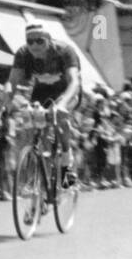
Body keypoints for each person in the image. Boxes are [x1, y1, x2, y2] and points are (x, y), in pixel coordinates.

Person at [5, 20, 80, 185]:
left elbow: (74, 81)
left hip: (66, 91)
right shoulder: (23, 54)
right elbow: (12, 81)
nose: (34, 45)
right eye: (30, 41)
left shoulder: (65, 51)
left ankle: (67, 159)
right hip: (41, 91)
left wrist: (62, 104)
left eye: (39, 40)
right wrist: (9, 99)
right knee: (35, 125)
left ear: (49, 39)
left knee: (60, 117)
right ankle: (40, 177)